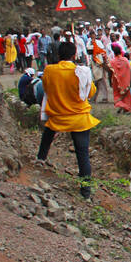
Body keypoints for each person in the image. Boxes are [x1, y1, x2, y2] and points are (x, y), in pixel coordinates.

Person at [35, 41, 100, 198]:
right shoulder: (81, 72)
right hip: (79, 118)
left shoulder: (49, 70)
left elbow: (46, 87)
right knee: (82, 154)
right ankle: (86, 191)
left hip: (58, 115)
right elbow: (90, 92)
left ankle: (40, 160)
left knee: (48, 135)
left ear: (58, 55)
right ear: (74, 55)